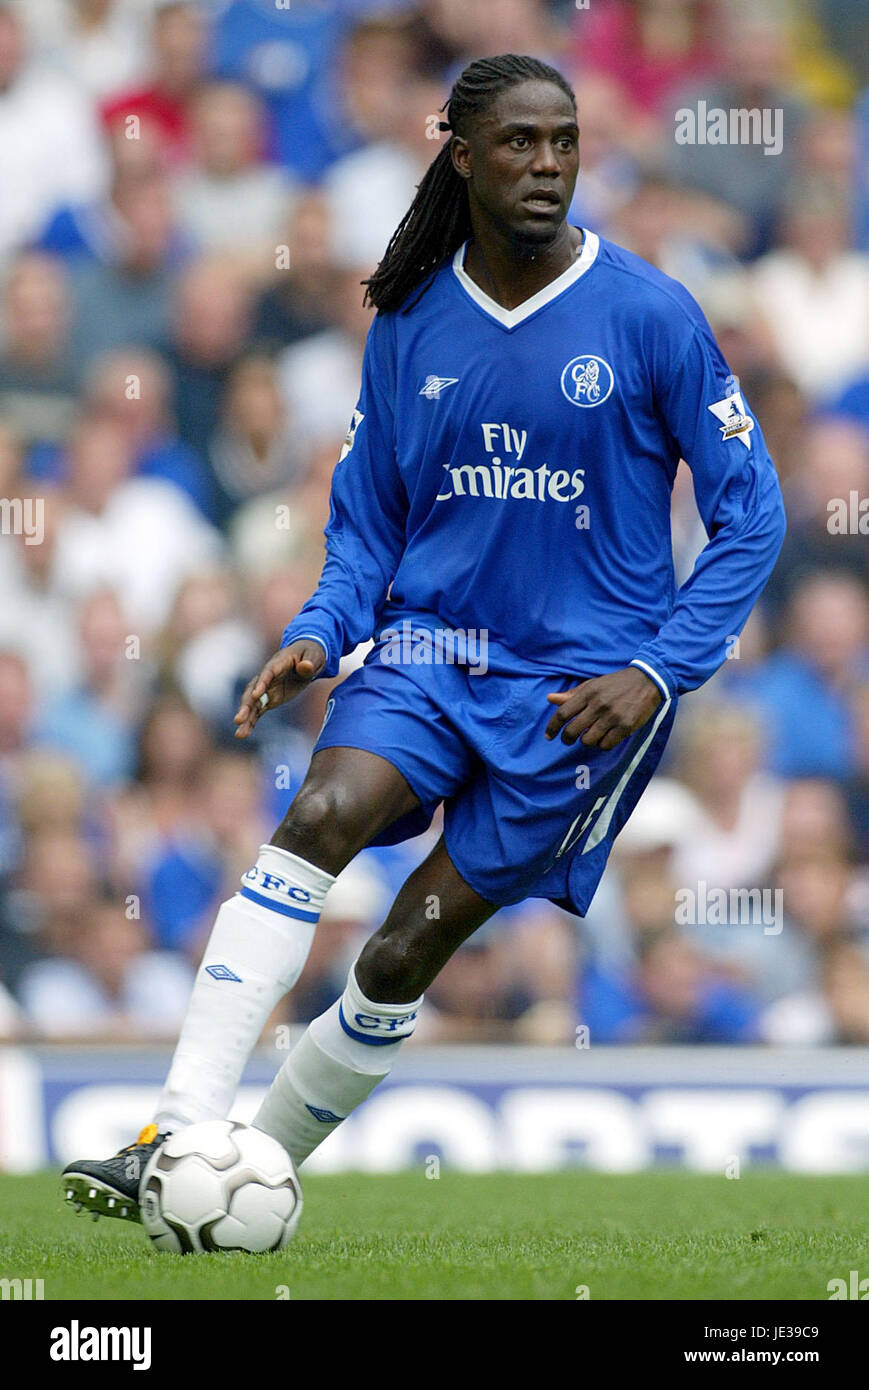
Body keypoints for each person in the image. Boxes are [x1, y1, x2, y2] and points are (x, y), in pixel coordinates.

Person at [62, 53, 785, 1223]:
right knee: (320, 814)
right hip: (428, 654)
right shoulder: (409, 320)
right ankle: (179, 1135)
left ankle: (254, 1167)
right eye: (517, 143)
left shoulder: (650, 314)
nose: (546, 164)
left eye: (562, 142)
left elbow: (753, 515)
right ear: (460, 154)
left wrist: (654, 672)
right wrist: (319, 631)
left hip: (576, 700)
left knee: (397, 957)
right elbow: (365, 526)